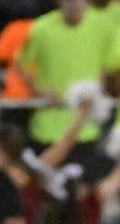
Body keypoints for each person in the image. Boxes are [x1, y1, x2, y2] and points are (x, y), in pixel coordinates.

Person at [15, 0, 114, 147]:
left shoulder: (104, 26)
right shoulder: (41, 27)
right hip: (48, 128)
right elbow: (19, 62)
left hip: (87, 129)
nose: (74, 4)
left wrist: (98, 92)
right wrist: (38, 91)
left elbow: (106, 66)